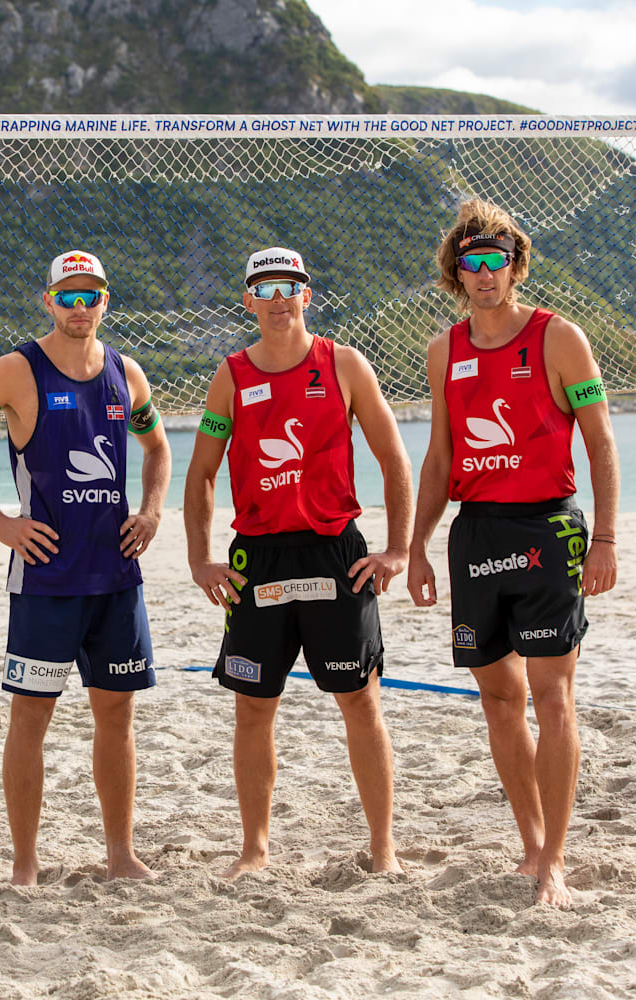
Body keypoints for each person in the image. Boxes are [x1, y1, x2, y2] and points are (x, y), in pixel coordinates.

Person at [0, 250, 172, 886]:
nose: (79, 306)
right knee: (31, 719)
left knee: (116, 716)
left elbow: (158, 447)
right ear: (49, 302)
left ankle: (120, 854)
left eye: (91, 295)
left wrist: (151, 512)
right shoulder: (14, 371)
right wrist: (0, 523)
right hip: (45, 580)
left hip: (116, 578)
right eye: (68, 295)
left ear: (105, 301)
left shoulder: (126, 373)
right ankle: (25, 864)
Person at [406, 199, 620, 908]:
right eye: (471, 262)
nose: (485, 273)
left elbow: (600, 442)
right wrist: (417, 546)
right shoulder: (445, 350)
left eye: (496, 260)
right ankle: (530, 844)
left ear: (515, 266)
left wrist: (605, 538)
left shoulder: (559, 338)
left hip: (547, 531)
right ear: (457, 272)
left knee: (554, 697)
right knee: (500, 699)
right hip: (477, 534)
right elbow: (440, 457)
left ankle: (554, 860)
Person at [184, 247, 413, 879]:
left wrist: (397, 548)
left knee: (359, 700)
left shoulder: (343, 363)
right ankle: (254, 851)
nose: (278, 298)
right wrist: (201, 559)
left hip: (333, 551)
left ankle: (384, 849)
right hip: (258, 560)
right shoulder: (231, 376)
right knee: (254, 708)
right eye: (265, 288)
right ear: (249, 301)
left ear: (307, 295)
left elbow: (394, 458)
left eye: (290, 286)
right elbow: (201, 474)